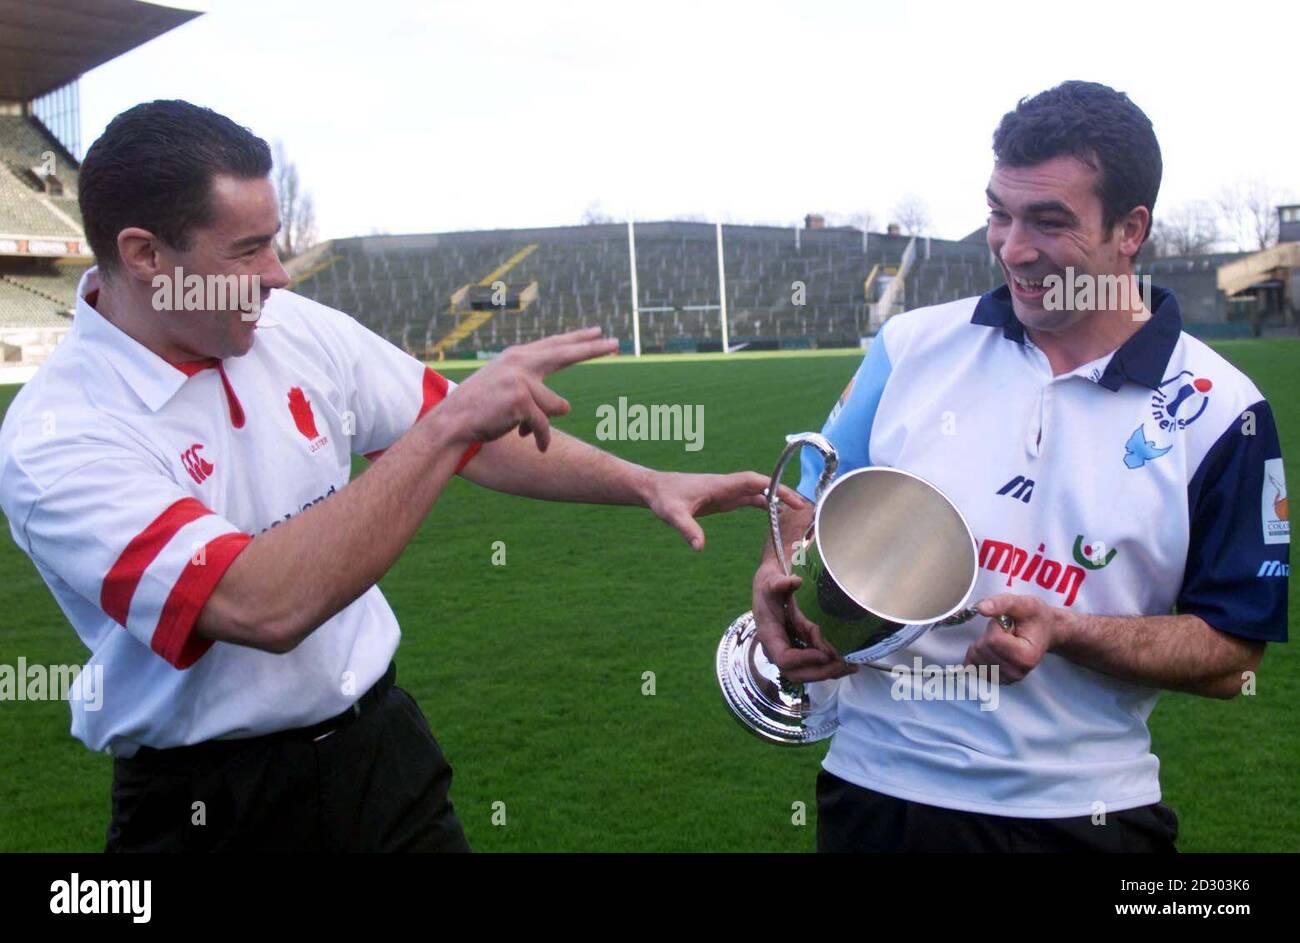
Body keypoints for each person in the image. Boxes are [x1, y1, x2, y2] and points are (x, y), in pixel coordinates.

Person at [0, 100, 801, 852]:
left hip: (379, 756)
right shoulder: (58, 435)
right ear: (145, 256)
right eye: (247, 250)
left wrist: (646, 480)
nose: (280, 274)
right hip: (207, 806)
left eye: (275, 240)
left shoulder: (289, 327)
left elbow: (474, 435)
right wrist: (451, 426)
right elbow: (262, 602)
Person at [752, 81, 1289, 853]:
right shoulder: (911, 346)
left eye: (1049, 220)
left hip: (1084, 815)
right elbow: (805, 500)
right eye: (1000, 212)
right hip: (877, 794)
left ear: (1130, 229)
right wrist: (774, 572)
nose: (1012, 246)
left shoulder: (1224, 411)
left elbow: (1233, 657)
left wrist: (1068, 629)